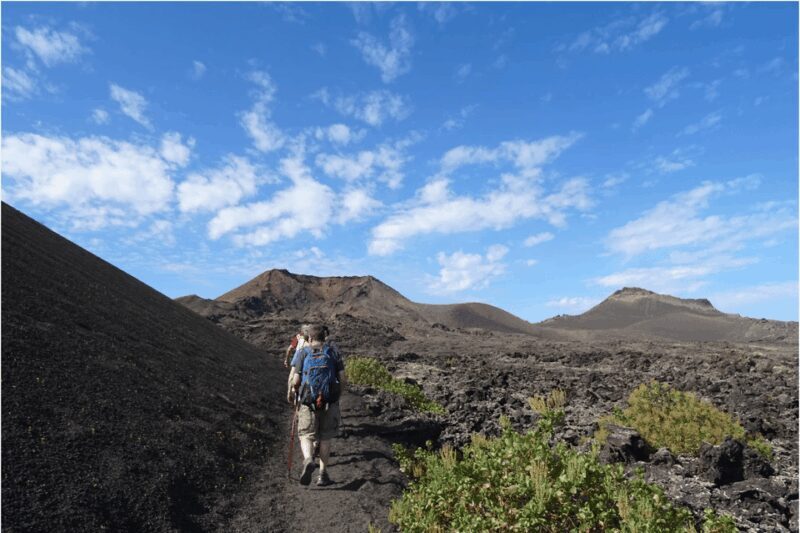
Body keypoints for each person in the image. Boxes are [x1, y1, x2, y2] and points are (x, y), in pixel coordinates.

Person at [290, 323, 345, 486]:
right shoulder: (333, 352)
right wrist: (337, 396)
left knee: (306, 435)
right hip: (329, 402)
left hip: (308, 402)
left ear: (310, 338)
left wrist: (295, 391)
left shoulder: (302, 352)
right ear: (324, 337)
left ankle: (308, 459)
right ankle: (322, 475)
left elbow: (296, 380)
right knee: (326, 438)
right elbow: (343, 379)